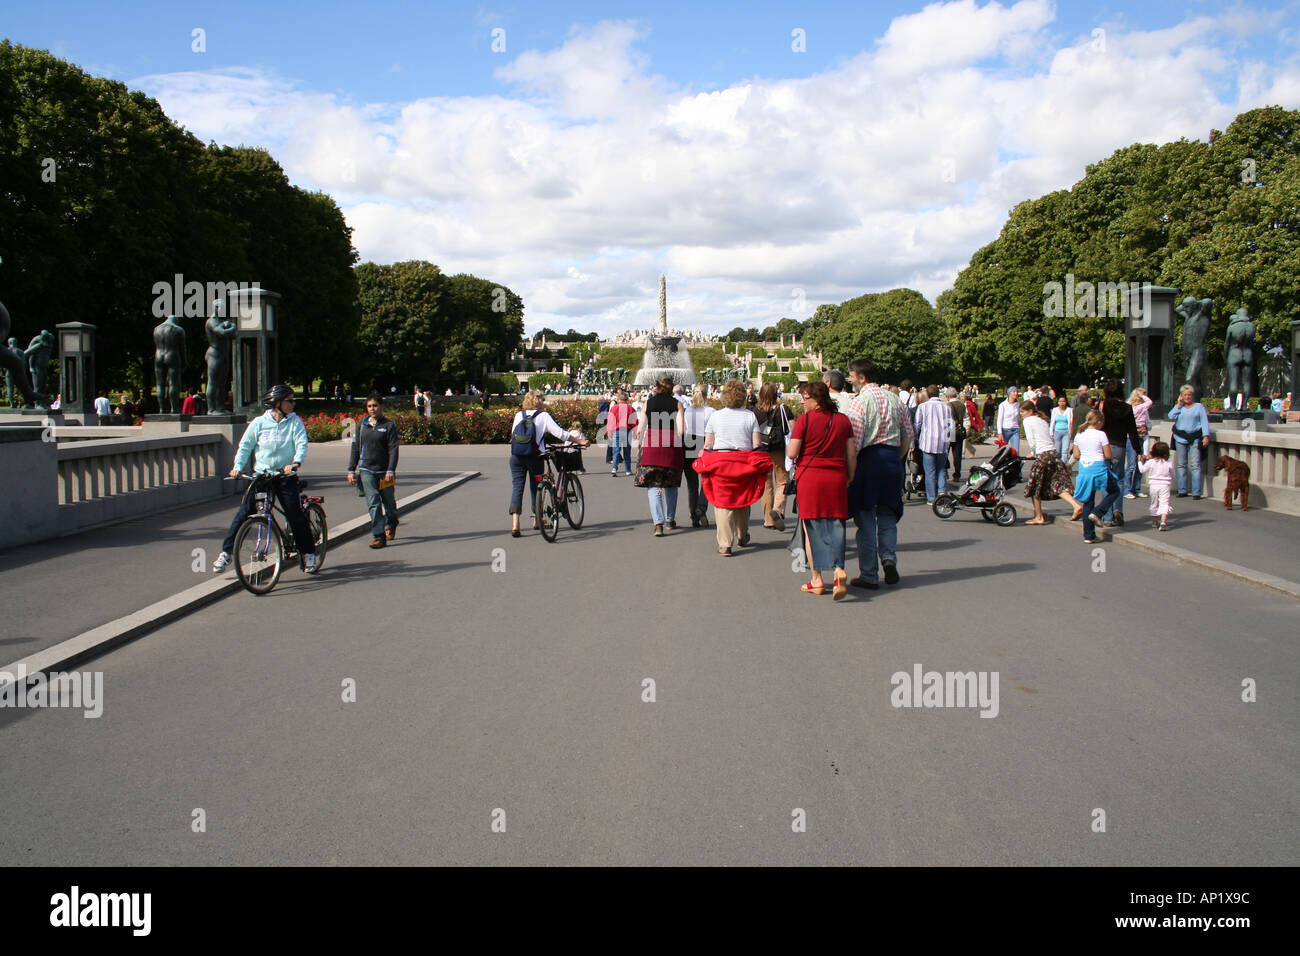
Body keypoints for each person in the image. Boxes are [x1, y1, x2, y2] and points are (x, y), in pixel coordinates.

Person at [212, 384, 317, 573]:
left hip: (285, 476)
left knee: (295, 514)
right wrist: (237, 467)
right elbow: (245, 446)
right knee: (244, 513)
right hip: (262, 476)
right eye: (290, 400)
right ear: (277, 403)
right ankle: (226, 553)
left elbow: (301, 443)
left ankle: (308, 553)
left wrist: (295, 463)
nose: (293, 404)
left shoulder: (294, 422)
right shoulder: (259, 423)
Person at [846, 358, 913, 590]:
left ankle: (869, 574)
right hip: (892, 459)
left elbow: (854, 443)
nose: (850, 379)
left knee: (865, 519)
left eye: (852, 375)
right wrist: (898, 457)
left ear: (862, 378)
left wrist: (850, 474)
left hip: (869, 460)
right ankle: (889, 558)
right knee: (887, 515)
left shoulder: (860, 402)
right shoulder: (895, 399)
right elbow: (908, 434)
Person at [786, 380, 855, 599]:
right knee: (836, 524)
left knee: (811, 528)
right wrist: (850, 475)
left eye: (806, 399)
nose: (803, 402)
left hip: (811, 477)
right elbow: (851, 453)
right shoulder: (843, 421)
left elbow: (792, 452)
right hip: (836, 477)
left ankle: (817, 579)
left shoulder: (804, 421)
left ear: (817, 400)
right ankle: (838, 569)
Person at [696, 380, 766, 556]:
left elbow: (708, 444)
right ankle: (742, 534)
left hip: (721, 461)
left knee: (722, 503)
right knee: (743, 499)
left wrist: (703, 454)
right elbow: (757, 443)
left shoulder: (716, 416)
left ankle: (725, 544)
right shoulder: (749, 416)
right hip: (744, 461)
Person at [508, 391, 588, 537]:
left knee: (517, 488)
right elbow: (561, 434)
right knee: (536, 487)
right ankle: (538, 520)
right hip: (534, 458)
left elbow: (514, 435)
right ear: (539, 402)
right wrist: (580, 441)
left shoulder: (519, 415)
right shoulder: (543, 416)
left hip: (516, 457)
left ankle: (515, 524)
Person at [347, 394, 400, 548]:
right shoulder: (362, 425)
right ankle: (379, 536)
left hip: (384, 471)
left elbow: (393, 449)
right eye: (369, 406)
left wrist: (391, 469)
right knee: (373, 503)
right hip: (366, 470)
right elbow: (355, 447)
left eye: (375, 405)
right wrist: (351, 469)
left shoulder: (389, 425)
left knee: (389, 504)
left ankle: (391, 522)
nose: (372, 409)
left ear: (381, 407)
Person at [636, 375, 686, 536]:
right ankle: (670, 519)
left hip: (652, 447)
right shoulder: (677, 403)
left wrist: (640, 441)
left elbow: (640, 428)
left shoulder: (648, 403)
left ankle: (658, 524)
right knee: (671, 485)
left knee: (653, 486)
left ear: (657, 387)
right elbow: (681, 430)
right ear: (671, 388)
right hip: (671, 447)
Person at [1021, 400, 1083, 525]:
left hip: (1043, 454)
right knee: (1057, 483)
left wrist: (1033, 452)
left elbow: (1031, 440)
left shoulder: (1027, 421)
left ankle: (1039, 516)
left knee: (1034, 486)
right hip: (1053, 454)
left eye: (1022, 412)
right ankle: (1076, 505)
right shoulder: (1042, 420)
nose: (1021, 414)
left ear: (1030, 411)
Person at [1094, 378, 1141, 527]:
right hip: (1120, 446)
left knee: (1105, 481)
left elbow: (1097, 424)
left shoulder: (1104, 405)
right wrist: (1138, 450)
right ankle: (1118, 510)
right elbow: (1133, 431)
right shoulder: (1127, 408)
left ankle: (1107, 517)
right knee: (1119, 479)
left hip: (1105, 445)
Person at [1070, 409, 1121, 545]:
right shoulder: (1101, 434)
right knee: (1115, 490)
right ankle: (1099, 512)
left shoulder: (1079, 434)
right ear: (1098, 422)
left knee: (1088, 501)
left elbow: (1075, 455)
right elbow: (1109, 455)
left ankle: (1089, 535)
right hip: (1099, 468)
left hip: (1084, 469)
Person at [754, 382, 791, 531]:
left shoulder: (756, 411)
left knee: (766, 484)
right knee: (782, 482)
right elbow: (792, 430)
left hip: (762, 450)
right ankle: (777, 509)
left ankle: (768, 520)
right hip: (779, 450)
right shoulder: (784, 410)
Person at [1168, 384, 1210, 499]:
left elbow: (1204, 422)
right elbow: (1170, 416)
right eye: (1185, 395)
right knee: (1181, 465)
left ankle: (1196, 492)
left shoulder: (1199, 407)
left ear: (1192, 396)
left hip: (1195, 437)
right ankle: (1182, 490)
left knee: (1195, 465)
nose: (1187, 397)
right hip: (1180, 437)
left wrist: (1206, 436)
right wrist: (1178, 404)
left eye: (1189, 395)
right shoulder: (1179, 407)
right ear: (1181, 396)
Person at [914, 384, 953, 504]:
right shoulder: (946, 407)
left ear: (928, 394)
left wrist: (915, 437)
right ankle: (942, 492)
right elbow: (950, 426)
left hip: (928, 442)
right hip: (942, 442)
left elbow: (917, 424)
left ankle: (932, 498)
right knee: (941, 469)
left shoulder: (923, 407)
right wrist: (949, 441)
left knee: (930, 471)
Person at [682, 385, 714, 527]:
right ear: (706, 395)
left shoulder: (687, 410)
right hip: (704, 442)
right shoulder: (711, 411)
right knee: (707, 479)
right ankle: (701, 506)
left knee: (691, 483)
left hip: (689, 442)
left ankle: (693, 516)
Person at [1138, 440, 1174, 531]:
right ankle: (1163, 521)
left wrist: (1139, 462)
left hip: (1153, 485)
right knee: (1164, 503)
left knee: (1154, 503)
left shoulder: (1151, 462)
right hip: (1165, 485)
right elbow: (1173, 474)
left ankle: (1154, 521)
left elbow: (1142, 470)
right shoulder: (1169, 463)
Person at [1125, 387, 1154, 499]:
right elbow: (1149, 402)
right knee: (1131, 465)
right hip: (1132, 437)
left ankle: (1136, 488)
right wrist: (1141, 395)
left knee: (1140, 463)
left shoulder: (1143, 410)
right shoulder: (1134, 407)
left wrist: (1146, 427)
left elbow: (1148, 422)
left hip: (1142, 436)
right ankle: (1127, 489)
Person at [605, 387, 636, 476]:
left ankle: (614, 468)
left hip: (617, 431)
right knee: (627, 452)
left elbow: (610, 421)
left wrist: (609, 431)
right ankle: (628, 470)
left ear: (619, 399)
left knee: (616, 450)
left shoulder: (614, 408)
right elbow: (634, 422)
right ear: (627, 399)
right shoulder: (631, 408)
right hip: (627, 431)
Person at [946, 387, 967, 477]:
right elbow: (965, 417)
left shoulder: (948, 405)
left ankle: (945, 472)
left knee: (945, 453)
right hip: (959, 430)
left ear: (948, 396)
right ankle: (957, 474)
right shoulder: (962, 405)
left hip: (950, 431)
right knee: (957, 454)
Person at [996, 386, 1021, 452]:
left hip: (1015, 430)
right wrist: (1000, 433)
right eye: (1014, 392)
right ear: (1009, 393)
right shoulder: (1003, 405)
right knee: (1003, 452)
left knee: (1016, 452)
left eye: (1017, 392)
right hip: (1005, 430)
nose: (1016, 393)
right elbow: (999, 420)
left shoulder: (1018, 404)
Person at [1050, 394, 1072, 464]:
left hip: (1066, 432)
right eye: (1060, 401)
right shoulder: (1055, 410)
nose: (1062, 403)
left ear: (1066, 402)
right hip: (1057, 432)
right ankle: (1057, 466)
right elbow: (1052, 421)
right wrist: (1051, 433)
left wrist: (1071, 433)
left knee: (1065, 451)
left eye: (1063, 401)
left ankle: (1063, 466)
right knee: (1057, 451)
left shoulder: (1069, 410)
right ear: (1058, 402)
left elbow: (1071, 422)